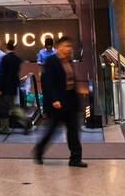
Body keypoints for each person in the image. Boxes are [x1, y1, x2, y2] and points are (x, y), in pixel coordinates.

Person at [32, 36, 86, 166]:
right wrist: (54, 99)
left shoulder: (69, 61)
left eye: (70, 46)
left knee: (73, 130)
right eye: (66, 46)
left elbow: (71, 81)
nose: (69, 48)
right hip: (57, 103)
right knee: (52, 130)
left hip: (70, 102)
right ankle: (39, 151)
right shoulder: (51, 61)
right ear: (59, 47)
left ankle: (75, 159)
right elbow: (47, 82)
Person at [0, 38, 27, 133]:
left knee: (4, 107)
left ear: (6, 47)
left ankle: (5, 128)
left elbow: (2, 74)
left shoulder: (4, 58)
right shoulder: (17, 59)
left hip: (5, 87)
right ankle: (25, 120)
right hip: (14, 86)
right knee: (13, 106)